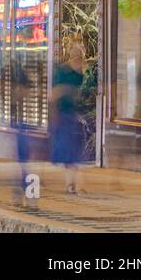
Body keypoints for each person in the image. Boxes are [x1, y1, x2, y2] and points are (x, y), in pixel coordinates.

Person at [50, 41, 89, 194]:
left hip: (74, 116)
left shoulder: (80, 74)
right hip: (63, 116)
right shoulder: (62, 72)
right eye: (77, 55)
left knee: (74, 153)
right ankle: (72, 184)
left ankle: (72, 184)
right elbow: (54, 94)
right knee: (69, 153)